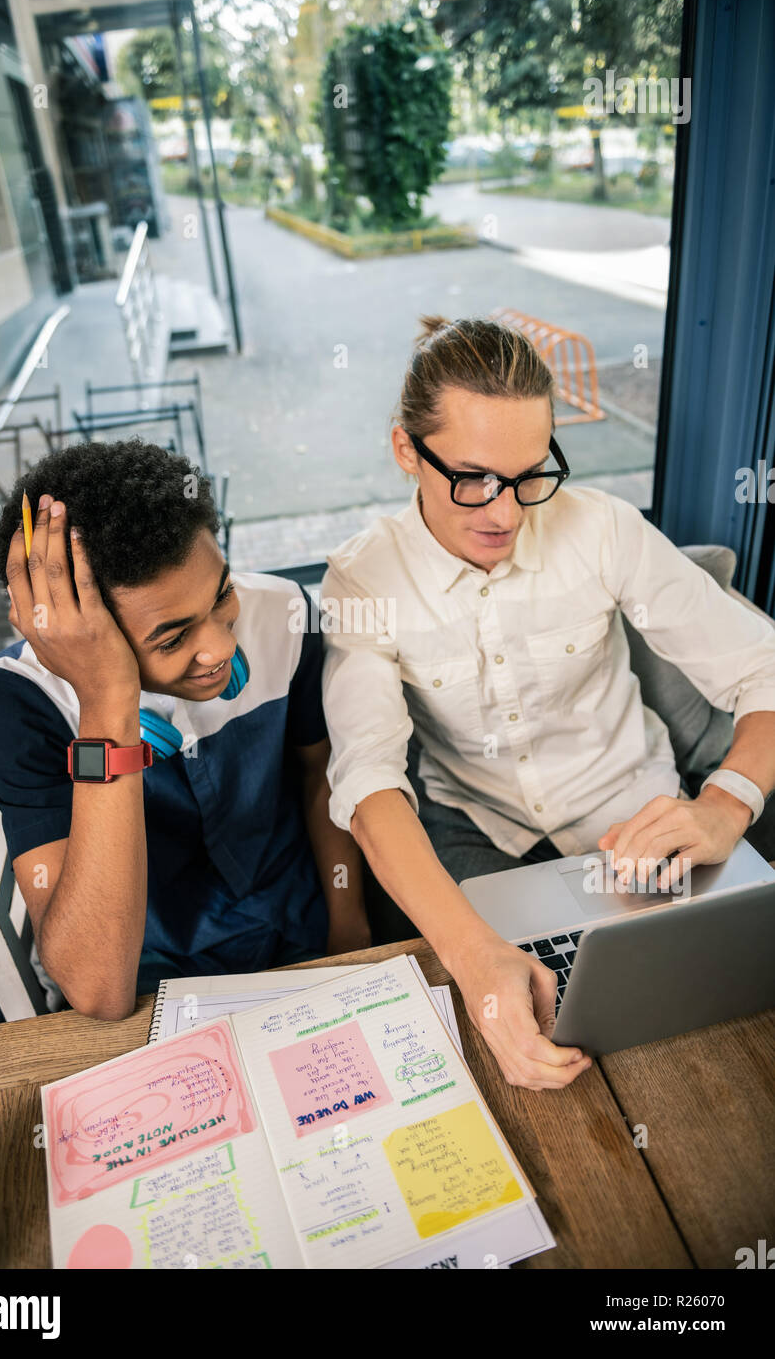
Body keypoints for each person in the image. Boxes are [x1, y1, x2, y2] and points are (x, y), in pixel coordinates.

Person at [321, 316, 775, 1091]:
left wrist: (725, 806)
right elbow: (367, 784)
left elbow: (764, 667)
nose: (506, 512)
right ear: (407, 451)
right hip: (477, 836)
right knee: (504, 1057)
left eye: (531, 475)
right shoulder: (364, 581)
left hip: (635, 814)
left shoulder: (602, 530)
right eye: (473, 478)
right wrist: (472, 957)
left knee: (714, 1038)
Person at [0, 439, 368, 1020]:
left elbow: (320, 779)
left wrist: (350, 935)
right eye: (172, 638)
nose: (220, 647)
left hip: (298, 931)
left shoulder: (287, 613)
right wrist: (108, 703)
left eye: (223, 593)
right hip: (151, 987)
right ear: (83, 638)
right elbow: (98, 987)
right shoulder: (20, 698)